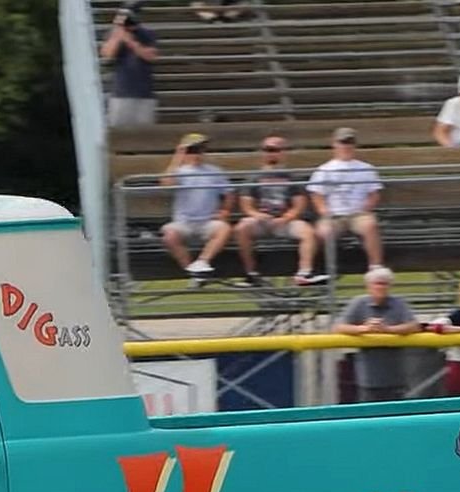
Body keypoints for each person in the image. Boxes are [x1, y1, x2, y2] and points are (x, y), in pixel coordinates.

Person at [234, 134, 327, 287]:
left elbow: (299, 204)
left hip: (285, 221)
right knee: (241, 228)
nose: (271, 153)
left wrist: (286, 218)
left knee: (307, 232)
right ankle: (251, 273)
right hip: (262, 220)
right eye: (267, 149)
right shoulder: (254, 177)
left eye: (275, 149)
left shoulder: (291, 177)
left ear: (283, 152)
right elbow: (246, 205)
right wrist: (258, 215)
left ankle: (305, 273)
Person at [333, 267, 420, 402]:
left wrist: (388, 329)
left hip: (396, 376)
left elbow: (414, 326)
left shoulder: (399, 303)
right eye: (377, 283)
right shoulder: (359, 303)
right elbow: (339, 327)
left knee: (397, 414)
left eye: (384, 284)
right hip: (368, 378)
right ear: (368, 286)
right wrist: (364, 329)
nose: (381, 287)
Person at [308, 127, 386, 271]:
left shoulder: (366, 168)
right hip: (334, 215)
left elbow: (374, 194)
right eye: (342, 142)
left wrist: (365, 209)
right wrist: (324, 211)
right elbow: (316, 195)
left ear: (355, 145)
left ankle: (376, 265)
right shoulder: (324, 170)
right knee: (322, 232)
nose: (346, 146)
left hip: (358, 214)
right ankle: (320, 270)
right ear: (334, 144)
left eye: (349, 142)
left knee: (370, 225)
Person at [160, 133, 234, 282]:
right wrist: (177, 157)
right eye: (192, 150)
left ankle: (202, 262)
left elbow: (229, 193)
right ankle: (193, 273)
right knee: (169, 235)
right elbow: (166, 183)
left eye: (200, 149)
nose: (197, 153)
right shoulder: (179, 173)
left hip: (207, 222)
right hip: (183, 222)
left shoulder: (214, 171)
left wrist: (225, 211)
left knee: (224, 228)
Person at [101, 3, 160, 127]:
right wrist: (118, 34)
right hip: (121, 94)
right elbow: (107, 54)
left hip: (144, 95)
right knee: (118, 133)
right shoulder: (114, 34)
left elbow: (150, 56)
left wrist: (130, 41)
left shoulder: (147, 34)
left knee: (144, 134)